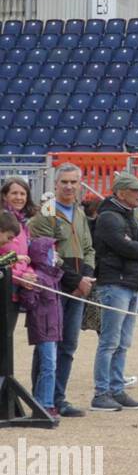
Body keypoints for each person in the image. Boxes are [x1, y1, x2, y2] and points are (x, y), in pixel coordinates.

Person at [26, 162, 96, 418]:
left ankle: (59, 397)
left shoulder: (78, 213)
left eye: (73, 182)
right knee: (48, 344)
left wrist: (86, 278)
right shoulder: (45, 213)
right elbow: (48, 255)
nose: (68, 186)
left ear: (80, 184)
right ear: (55, 185)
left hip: (78, 289)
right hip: (53, 289)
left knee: (68, 345)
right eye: (64, 182)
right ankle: (40, 398)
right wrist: (76, 281)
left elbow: (89, 248)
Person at [90, 172, 138, 411]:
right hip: (115, 283)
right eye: (135, 190)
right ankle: (102, 392)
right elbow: (128, 247)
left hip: (127, 284)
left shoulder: (124, 216)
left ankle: (115, 389)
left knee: (121, 342)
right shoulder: (110, 217)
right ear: (121, 193)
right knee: (110, 342)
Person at [19, 235, 62, 421]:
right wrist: (29, 290)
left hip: (52, 327)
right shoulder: (40, 277)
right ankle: (44, 403)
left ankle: (43, 401)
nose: (55, 255)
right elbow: (29, 303)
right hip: (44, 327)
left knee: (49, 365)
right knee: (48, 366)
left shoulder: (53, 276)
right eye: (52, 251)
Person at [0, 177, 37, 342]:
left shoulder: (23, 224)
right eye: (14, 193)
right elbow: (3, 261)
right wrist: (19, 276)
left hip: (14, 291)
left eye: (23, 193)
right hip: (4, 286)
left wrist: (29, 275)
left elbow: (25, 258)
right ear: (4, 196)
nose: (19, 197)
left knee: (6, 339)